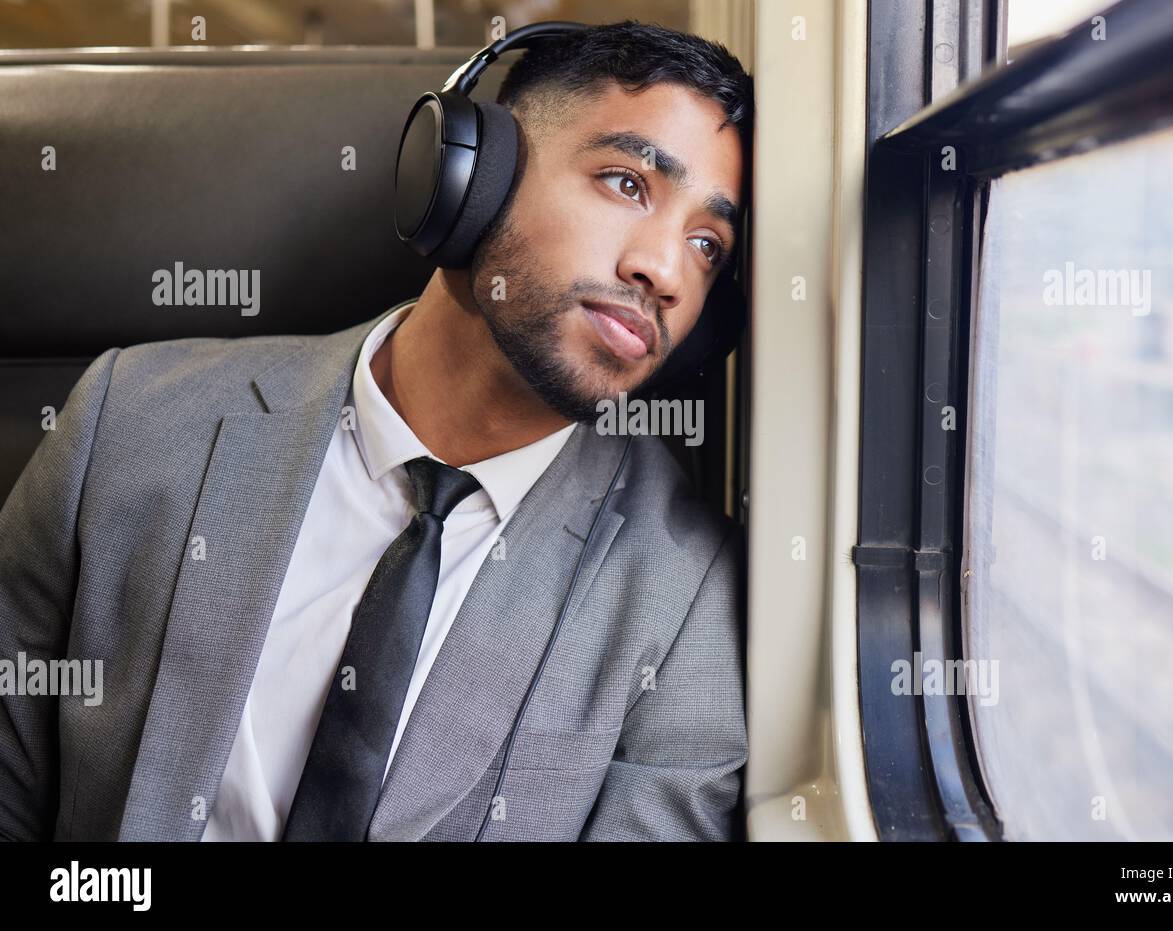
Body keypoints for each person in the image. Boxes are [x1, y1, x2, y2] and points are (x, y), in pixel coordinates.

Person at [0, 20, 752, 842]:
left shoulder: (683, 588)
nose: (666, 272)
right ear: (470, 174)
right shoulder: (129, 418)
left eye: (707, 244)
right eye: (627, 183)